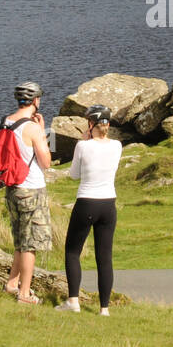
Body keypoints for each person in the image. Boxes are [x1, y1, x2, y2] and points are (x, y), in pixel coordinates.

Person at [56, 104, 122, 316]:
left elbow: (73, 175)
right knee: (105, 257)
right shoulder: (117, 146)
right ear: (108, 125)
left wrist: (82, 142)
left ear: (90, 124)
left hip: (87, 202)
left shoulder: (83, 146)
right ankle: (104, 309)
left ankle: (73, 301)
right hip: (108, 204)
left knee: (73, 252)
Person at [2, 81, 53, 305]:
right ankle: (24, 293)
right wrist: (42, 133)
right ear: (35, 101)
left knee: (19, 240)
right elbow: (46, 161)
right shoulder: (32, 128)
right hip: (31, 189)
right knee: (30, 243)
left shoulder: (5, 122)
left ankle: (12, 284)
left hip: (12, 188)